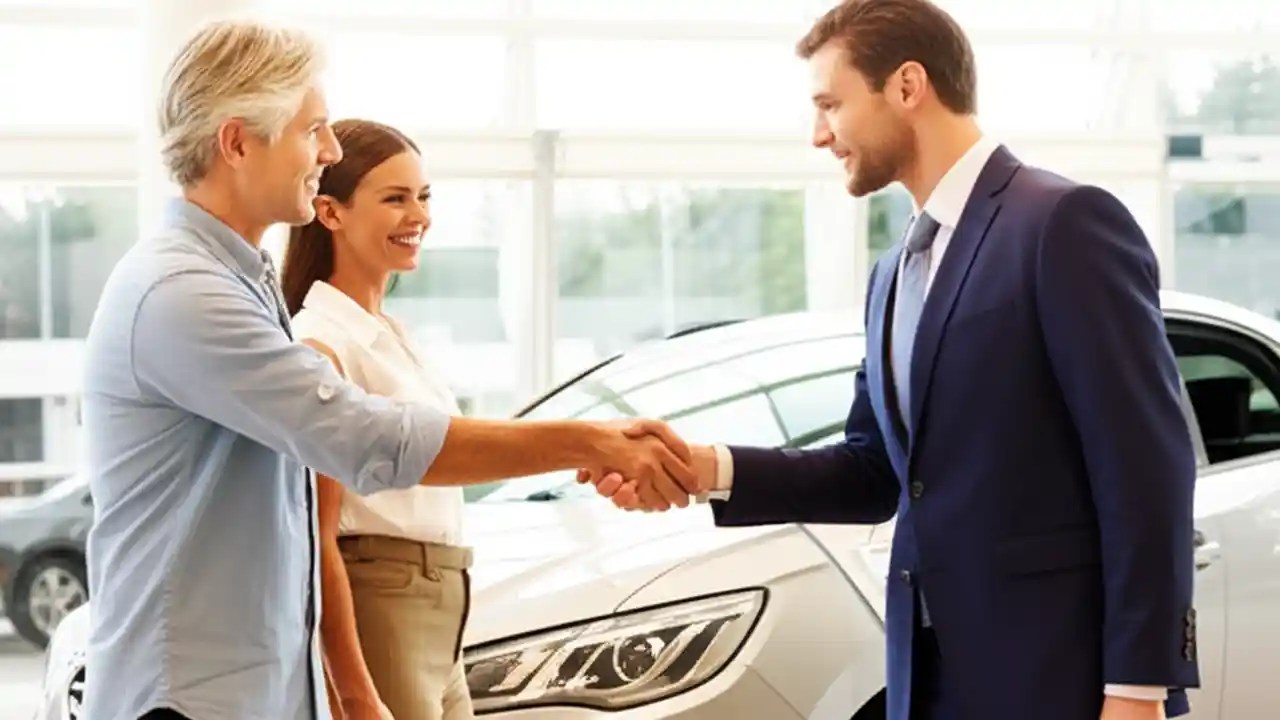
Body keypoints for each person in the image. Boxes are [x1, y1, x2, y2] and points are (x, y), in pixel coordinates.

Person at [588, 1, 1200, 719]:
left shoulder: (1063, 223)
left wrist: (1137, 689)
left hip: (1056, 676)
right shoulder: (893, 273)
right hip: (928, 674)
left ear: (907, 86)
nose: (819, 135)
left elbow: (1147, 466)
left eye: (830, 104)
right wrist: (703, 468)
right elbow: (875, 472)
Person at [82, 20, 693, 720]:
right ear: (237, 142)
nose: (330, 149)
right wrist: (588, 441)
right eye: (313, 131)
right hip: (189, 701)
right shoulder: (182, 294)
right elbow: (368, 439)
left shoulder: (235, 279)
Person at [280, 118, 475, 720]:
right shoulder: (321, 344)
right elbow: (319, 539)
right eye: (395, 198)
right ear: (330, 212)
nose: (418, 215)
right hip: (385, 601)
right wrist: (354, 690)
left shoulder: (388, 333)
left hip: (443, 604)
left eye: (423, 196)